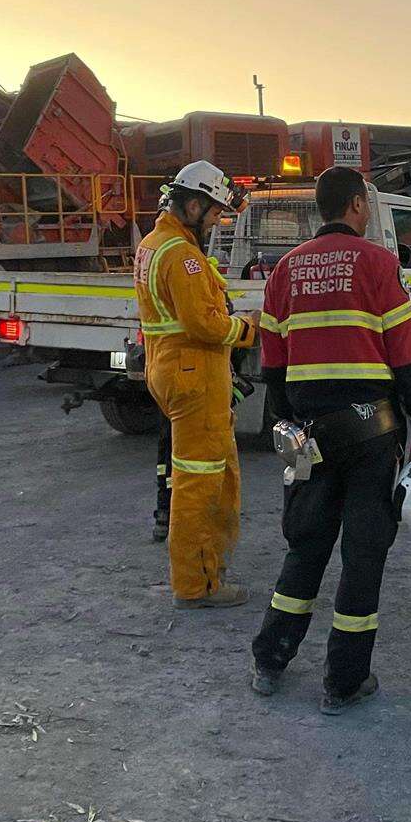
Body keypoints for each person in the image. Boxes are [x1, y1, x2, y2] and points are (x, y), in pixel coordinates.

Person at [249, 166, 411, 714]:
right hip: (371, 435)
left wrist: (290, 430)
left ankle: (270, 660)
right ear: (357, 205)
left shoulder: (284, 270)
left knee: (305, 546)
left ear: (319, 208)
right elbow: (408, 357)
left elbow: (273, 366)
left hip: (309, 437)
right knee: (363, 554)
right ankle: (344, 682)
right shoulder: (380, 265)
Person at [135, 161, 258, 608]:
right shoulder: (181, 256)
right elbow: (205, 324)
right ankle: (197, 585)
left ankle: (212, 567)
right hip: (195, 375)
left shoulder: (155, 243)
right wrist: (247, 328)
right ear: (193, 205)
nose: (218, 222)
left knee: (216, 473)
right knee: (200, 482)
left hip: (174, 370)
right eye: (215, 214)